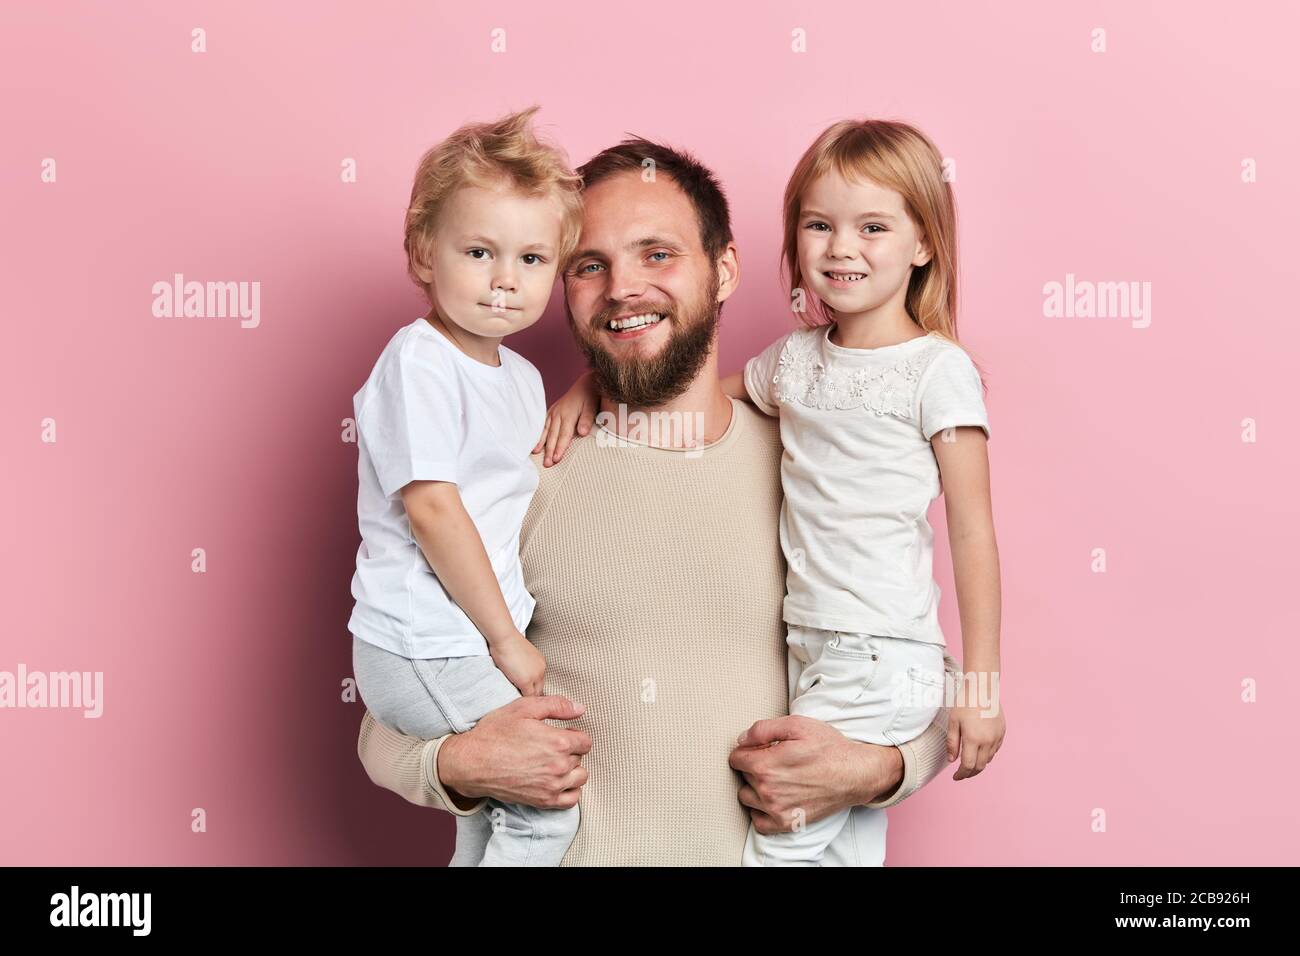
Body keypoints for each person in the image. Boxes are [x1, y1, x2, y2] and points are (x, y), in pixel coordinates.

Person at [355, 134, 967, 866]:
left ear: (726, 268)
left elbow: (918, 675)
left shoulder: (812, 463)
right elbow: (385, 719)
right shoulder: (520, 473)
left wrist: (880, 769)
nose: (622, 289)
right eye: (590, 265)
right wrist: (455, 766)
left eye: (658, 254)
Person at [543, 117, 1005, 866]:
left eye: (874, 227)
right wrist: (593, 384)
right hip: (813, 645)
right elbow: (699, 402)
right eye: (819, 226)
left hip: (876, 652)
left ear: (924, 245)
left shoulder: (935, 374)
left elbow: (971, 535)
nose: (842, 248)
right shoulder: (793, 371)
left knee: (785, 843)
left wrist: (965, 700)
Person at [347, 107, 584, 865]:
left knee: (492, 819)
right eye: (480, 251)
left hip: (461, 643)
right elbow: (433, 507)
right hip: (426, 640)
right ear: (423, 251)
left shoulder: (519, 376)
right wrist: (507, 640)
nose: (505, 282)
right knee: (544, 808)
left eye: (532, 259)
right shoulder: (418, 361)